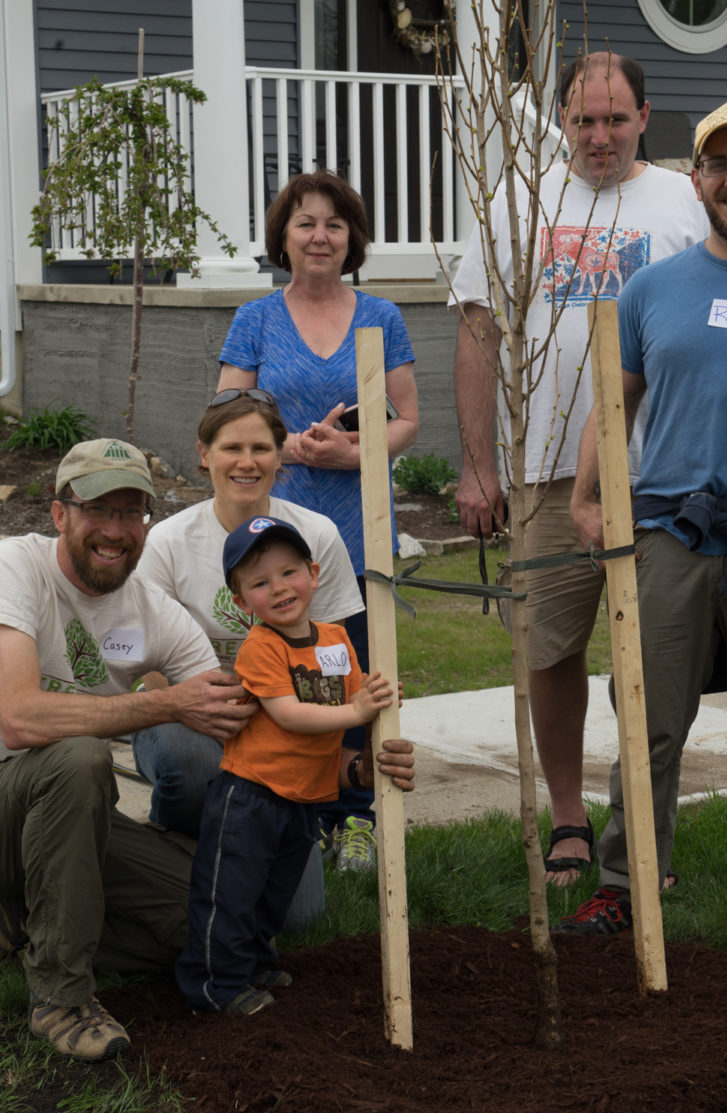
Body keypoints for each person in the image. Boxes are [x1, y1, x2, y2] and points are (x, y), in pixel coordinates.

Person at [0, 438, 416, 1062]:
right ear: (60, 514)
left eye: (130, 513)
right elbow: (20, 719)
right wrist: (166, 704)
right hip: (12, 795)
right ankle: (61, 995)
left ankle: (21, 921)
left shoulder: (155, 612)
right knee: (80, 759)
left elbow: (258, 731)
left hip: (59, 824)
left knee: (219, 927)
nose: (114, 530)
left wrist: (358, 766)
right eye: (96, 510)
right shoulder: (17, 566)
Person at [449, 52, 709, 886]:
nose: (599, 136)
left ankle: (642, 820)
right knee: (550, 650)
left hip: (661, 473)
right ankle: (568, 817)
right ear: (562, 119)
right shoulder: (516, 204)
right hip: (546, 470)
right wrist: (479, 466)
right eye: (583, 120)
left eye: (615, 119)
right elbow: (479, 335)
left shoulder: (685, 203)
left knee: (655, 658)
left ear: (644, 117)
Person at [559, 100, 727, 983]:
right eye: (717, 164)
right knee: (647, 723)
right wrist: (587, 500)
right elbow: (614, 403)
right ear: (695, 179)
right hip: (666, 535)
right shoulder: (653, 289)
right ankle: (625, 883)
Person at [217, 170, 419, 871]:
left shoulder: (382, 317)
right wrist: (288, 446)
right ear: (284, 236)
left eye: (333, 224)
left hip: (361, 526)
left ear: (352, 238)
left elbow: (408, 422)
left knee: (354, 673)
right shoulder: (256, 319)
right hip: (284, 530)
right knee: (295, 674)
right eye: (305, 223)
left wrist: (351, 450)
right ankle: (295, 808)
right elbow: (225, 416)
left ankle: (355, 815)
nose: (320, 236)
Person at [133, 388, 364, 925]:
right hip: (187, 718)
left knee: (297, 918)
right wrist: (192, 706)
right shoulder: (167, 542)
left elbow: (334, 649)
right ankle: (174, 846)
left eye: (261, 447)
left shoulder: (316, 534)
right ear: (204, 453)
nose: (246, 462)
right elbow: (147, 665)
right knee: (196, 768)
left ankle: (251, 851)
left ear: (280, 454)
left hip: (284, 723)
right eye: (231, 447)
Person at [175, 516, 395, 1014]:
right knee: (232, 891)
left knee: (274, 892)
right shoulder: (261, 648)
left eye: (288, 572)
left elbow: (356, 690)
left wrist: (377, 697)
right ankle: (216, 984)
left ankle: (254, 960)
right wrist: (357, 712)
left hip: (305, 796)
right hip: (250, 795)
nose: (278, 588)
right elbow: (289, 714)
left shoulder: (337, 639)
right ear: (240, 601)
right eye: (259, 582)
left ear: (314, 574)